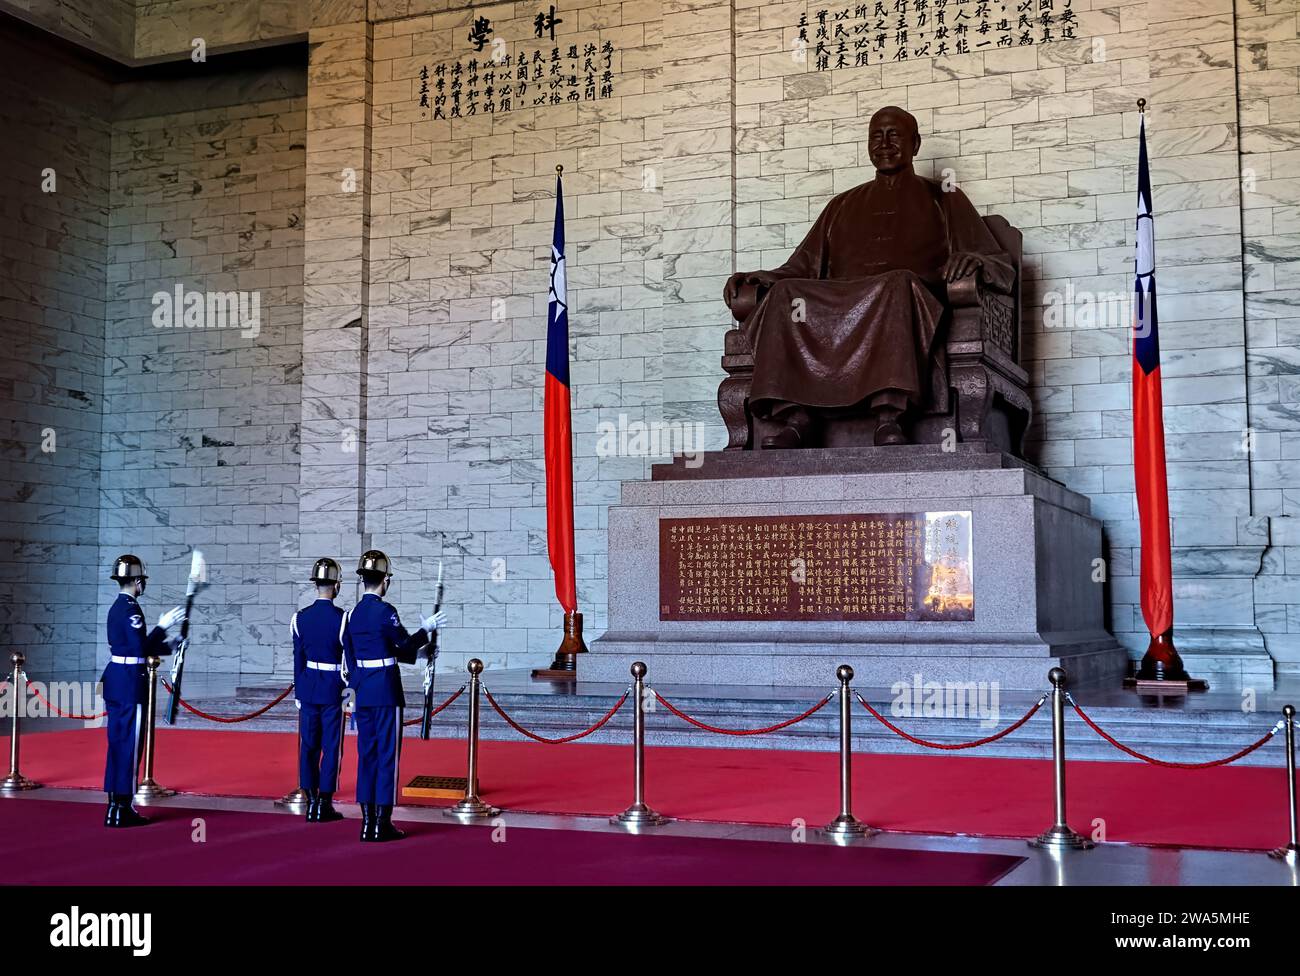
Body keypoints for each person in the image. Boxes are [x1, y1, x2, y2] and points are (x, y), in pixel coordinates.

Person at [723, 105, 1014, 448]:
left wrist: (974, 260)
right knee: (787, 293)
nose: (885, 144)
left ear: (915, 144)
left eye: (895, 135)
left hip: (906, 295)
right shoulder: (842, 205)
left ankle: (889, 415)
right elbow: (801, 266)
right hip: (841, 301)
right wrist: (763, 277)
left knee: (896, 283)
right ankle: (798, 415)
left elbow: (1000, 264)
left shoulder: (943, 197)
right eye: (877, 136)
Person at [342, 550, 445, 842]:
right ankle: (382, 824)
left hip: (362, 693)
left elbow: (360, 657)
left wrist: (422, 651)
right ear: (385, 580)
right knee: (387, 756)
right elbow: (401, 643)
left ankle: (366, 822)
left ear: (362, 580)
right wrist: (426, 630)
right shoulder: (386, 611)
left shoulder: (351, 615)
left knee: (367, 757)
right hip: (386, 692)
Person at [102, 555, 183, 828]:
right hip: (130, 683)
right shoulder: (131, 609)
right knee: (129, 746)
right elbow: (139, 650)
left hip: (117, 678)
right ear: (137, 581)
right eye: (142, 581)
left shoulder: (117, 606)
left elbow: (135, 647)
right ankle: (123, 808)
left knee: (118, 745)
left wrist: (171, 645)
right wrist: (163, 627)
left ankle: (115, 805)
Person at [292, 557, 347, 823]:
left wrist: (298, 693)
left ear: (316, 585)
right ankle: (324, 802)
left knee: (308, 746)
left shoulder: (300, 618)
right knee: (331, 746)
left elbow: (298, 658)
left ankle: (311, 801)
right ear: (336, 585)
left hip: (308, 688)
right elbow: (348, 658)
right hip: (333, 688)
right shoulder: (342, 619)